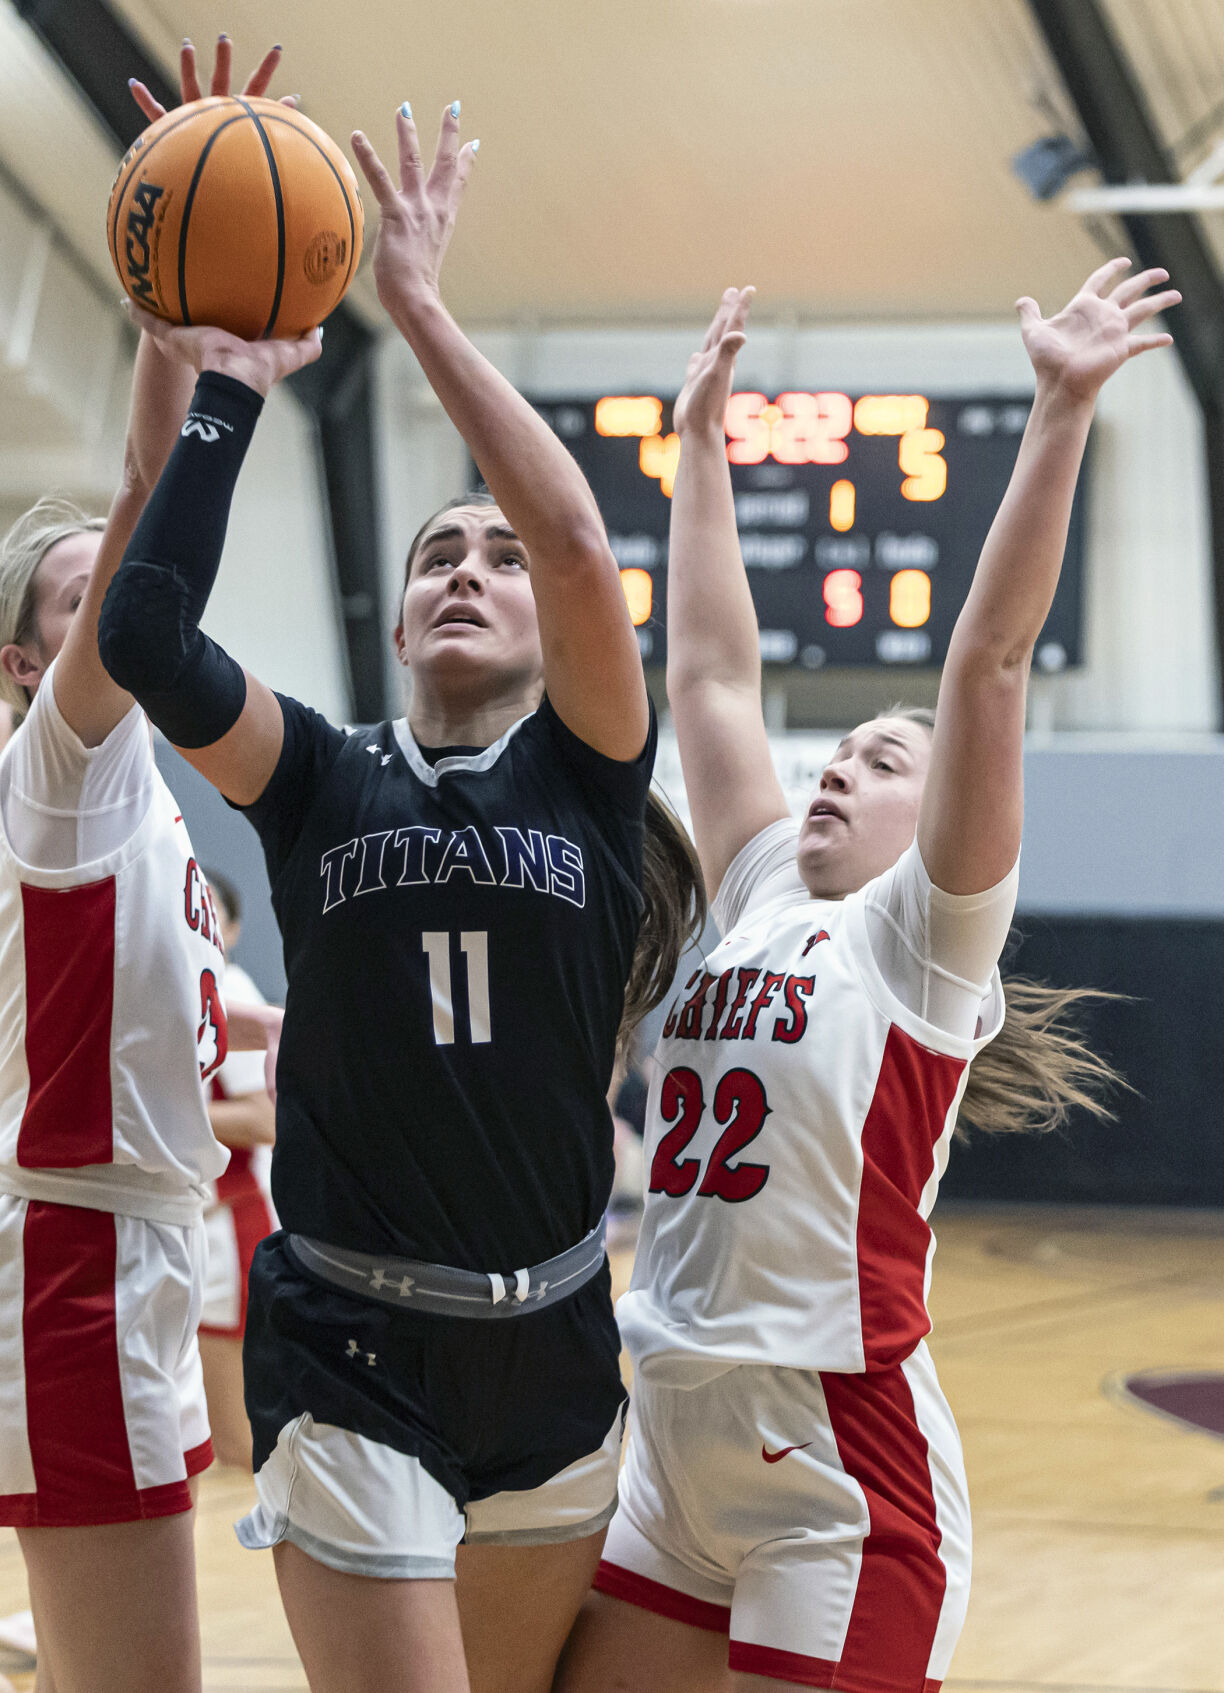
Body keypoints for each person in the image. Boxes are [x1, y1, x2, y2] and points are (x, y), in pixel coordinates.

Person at [96, 101, 703, 1693]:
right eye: (440, 553)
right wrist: (228, 388)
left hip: (557, 1343)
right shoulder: (317, 773)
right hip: (350, 1346)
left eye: (495, 561)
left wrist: (418, 307)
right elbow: (149, 639)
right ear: (392, 631)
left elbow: (581, 538)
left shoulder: (589, 768)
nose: (467, 570)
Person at [556, 262, 1177, 1693]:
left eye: (880, 762)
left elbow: (991, 664)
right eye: (835, 755)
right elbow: (711, 677)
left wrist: (1062, 409)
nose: (839, 769)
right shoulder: (763, 892)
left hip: (839, 1473)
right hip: (677, 1436)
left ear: (937, 811)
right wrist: (698, 448)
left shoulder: (920, 939)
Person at [0, 41, 291, 1693]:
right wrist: (193, 345)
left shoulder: (155, 809)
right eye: (69, 606)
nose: (105, 611)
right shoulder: (61, 770)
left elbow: (229, 1038)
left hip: (136, 1251)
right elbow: (137, 516)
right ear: (24, 669)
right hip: (72, 1254)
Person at [198, 870, 279, 1470]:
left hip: (228, 1229)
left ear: (229, 927)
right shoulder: (153, 986)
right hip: (181, 1227)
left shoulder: (235, 991)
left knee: (234, 1451)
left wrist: (171, 1114)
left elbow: (266, 1120)